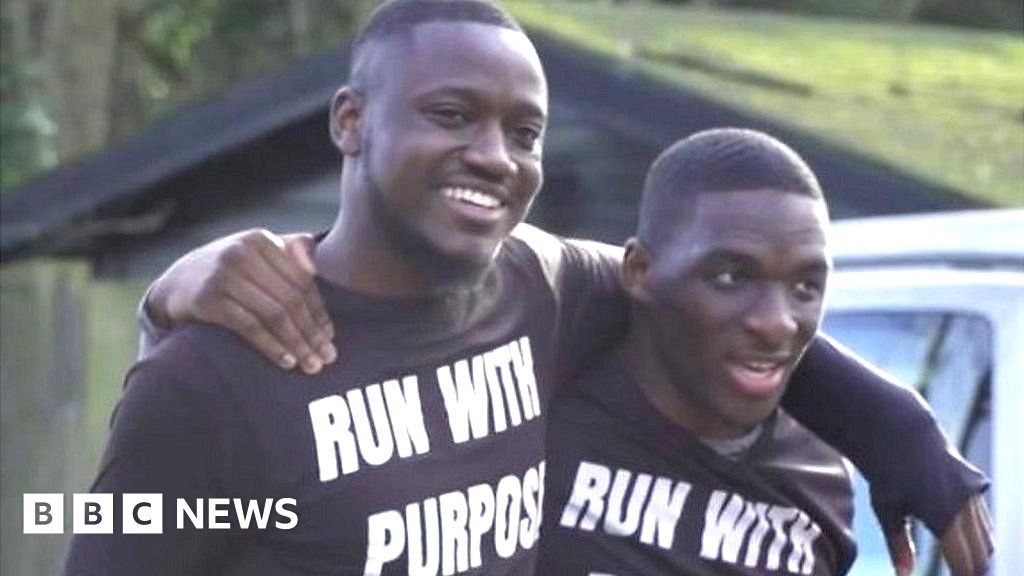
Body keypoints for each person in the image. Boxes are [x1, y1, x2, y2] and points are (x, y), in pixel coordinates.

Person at [66, 1, 991, 575]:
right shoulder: (212, 374)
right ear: (350, 120)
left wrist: (900, 436)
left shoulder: (543, 287)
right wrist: (169, 296)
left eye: (527, 132)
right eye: (452, 115)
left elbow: (727, 312)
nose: (494, 156)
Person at [539, 128, 853, 575]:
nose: (777, 322)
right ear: (641, 271)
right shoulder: (544, 432)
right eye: (731, 278)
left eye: (805, 287)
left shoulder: (817, 478)